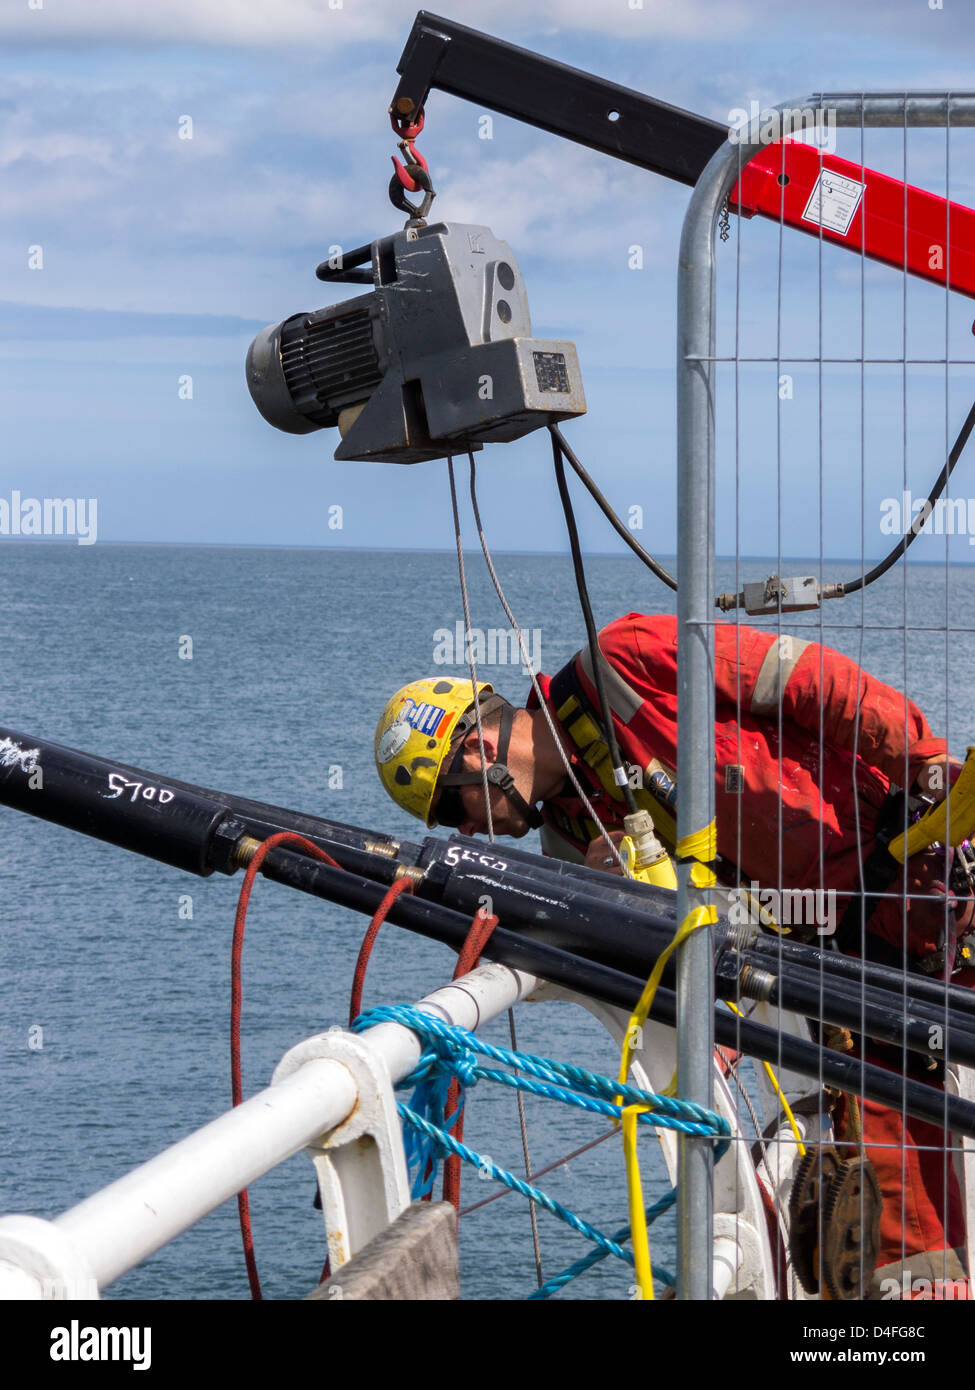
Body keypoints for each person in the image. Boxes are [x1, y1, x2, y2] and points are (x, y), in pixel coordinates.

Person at [374, 611, 973, 1297]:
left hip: (927, 856)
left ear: (477, 751)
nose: (470, 830)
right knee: (895, 1179)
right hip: (862, 962)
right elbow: (683, 965)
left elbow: (810, 681)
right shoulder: (572, 849)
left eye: (454, 810)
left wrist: (922, 766)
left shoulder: (624, 663)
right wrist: (622, 901)